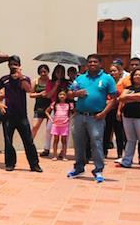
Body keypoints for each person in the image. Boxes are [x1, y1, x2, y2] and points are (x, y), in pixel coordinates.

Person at [67, 54, 118, 184]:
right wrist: (76, 93)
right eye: (90, 62)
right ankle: (79, 168)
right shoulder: (80, 78)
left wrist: (104, 113)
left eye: (95, 62)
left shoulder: (107, 78)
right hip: (79, 116)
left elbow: (114, 99)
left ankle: (98, 170)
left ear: (100, 64)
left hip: (96, 117)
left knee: (96, 143)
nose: (92, 64)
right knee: (78, 143)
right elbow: (69, 94)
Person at [0, 55, 43, 173]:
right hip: (8, 116)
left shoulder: (25, 79)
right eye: (11, 64)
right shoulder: (4, 79)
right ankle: (10, 163)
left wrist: (20, 76)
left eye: (15, 64)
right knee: (8, 141)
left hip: (22, 116)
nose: (13, 66)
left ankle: (34, 165)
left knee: (28, 140)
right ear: (8, 65)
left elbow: (29, 90)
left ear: (19, 65)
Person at [116, 68, 140, 171]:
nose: (137, 77)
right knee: (130, 140)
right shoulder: (128, 87)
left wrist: (128, 97)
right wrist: (136, 97)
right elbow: (121, 98)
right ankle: (126, 161)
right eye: (135, 75)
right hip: (127, 116)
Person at [104, 61, 127, 158]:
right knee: (106, 131)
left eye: (114, 71)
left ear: (119, 71)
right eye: (111, 71)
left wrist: (117, 102)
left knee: (119, 133)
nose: (112, 73)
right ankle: (104, 152)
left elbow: (124, 96)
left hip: (118, 109)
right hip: (107, 110)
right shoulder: (107, 83)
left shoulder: (122, 83)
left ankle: (120, 153)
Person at [30, 64, 52, 157]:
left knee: (49, 129)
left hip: (50, 107)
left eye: (45, 71)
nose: (43, 73)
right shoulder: (35, 81)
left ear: (48, 71)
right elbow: (31, 94)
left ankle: (46, 149)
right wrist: (40, 94)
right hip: (39, 107)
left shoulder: (51, 81)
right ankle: (29, 146)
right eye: (41, 72)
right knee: (35, 126)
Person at [46, 90, 72, 160]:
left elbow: (75, 112)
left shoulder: (69, 105)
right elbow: (47, 111)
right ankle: (55, 156)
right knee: (55, 140)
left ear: (66, 96)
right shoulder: (54, 104)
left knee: (64, 141)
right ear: (58, 96)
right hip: (56, 125)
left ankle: (64, 156)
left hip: (64, 125)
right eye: (60, 94)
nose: (62, 96)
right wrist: (51, 120)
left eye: (64, 95)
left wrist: (69, 119)